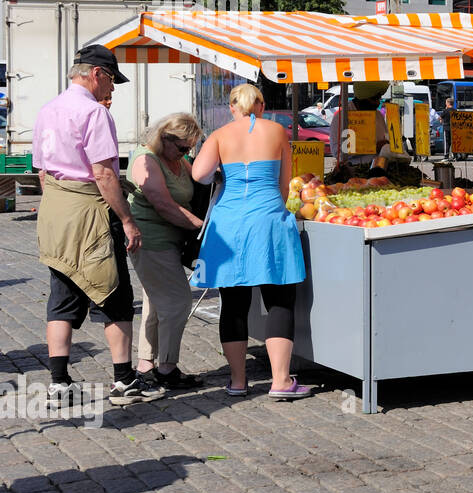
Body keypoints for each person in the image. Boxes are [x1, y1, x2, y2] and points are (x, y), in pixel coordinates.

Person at [32, 45, 160, 405]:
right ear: (96, 74)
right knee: (113, 292)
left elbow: (42, 171)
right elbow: (104, 174)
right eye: (111, 81)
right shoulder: (93, 113)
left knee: (62, 292)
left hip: (56, 209)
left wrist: (59, 205)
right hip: (90, 211)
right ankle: (124, 380)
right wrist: (127, 219)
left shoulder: (47, 109)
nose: (113, 89)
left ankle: (59, 383)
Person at [191, 84, 311, 399]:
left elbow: (198, 174)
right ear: (261, 105)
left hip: (228, 223)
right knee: (279, 299)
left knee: (232, 304)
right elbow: (285, 185)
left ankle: (237, 380)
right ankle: (281, 381)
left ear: (233, 107)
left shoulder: (220, 134)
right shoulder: (278, 131)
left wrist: (220, 174)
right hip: (268, 220)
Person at [126, 113, 207, 391]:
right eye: (183, 147)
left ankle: (146, 365)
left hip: (171, 242)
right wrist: (204, 228)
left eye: (190, 148)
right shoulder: (145, 159)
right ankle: (167, 368)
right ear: (164, 138)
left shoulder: (178, 159)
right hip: (151, 241)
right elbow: (163, 204)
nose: (186, 153)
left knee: (155, 304)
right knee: (177, 302)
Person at [328, 82, 389, 174]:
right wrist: (372, 147)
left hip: (378, 170)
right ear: (362, 98)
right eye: (374, 98)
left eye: (379, 98)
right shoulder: (343, 116)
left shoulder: (378, 115)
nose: (377, 103)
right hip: (352, 172)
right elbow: (337, 151)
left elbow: (386, 138)